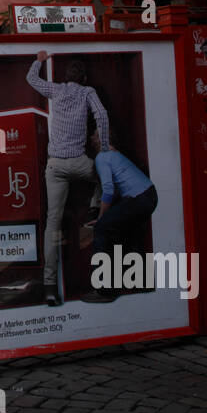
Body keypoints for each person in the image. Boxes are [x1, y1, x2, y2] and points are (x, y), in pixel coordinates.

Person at [26, 51, 110, 307]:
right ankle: (95, 207)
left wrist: (39, 60)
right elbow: (103, 117)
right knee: (105, 178)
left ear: (66, 77)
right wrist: (104, 149)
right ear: (83, 78)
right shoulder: (87, 93)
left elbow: (31, 78)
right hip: (80, 162)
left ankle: (50, 288)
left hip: (56, 166)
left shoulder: (56, 90)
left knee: (53, 222)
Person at [78, 127, 158, 303]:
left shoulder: (102, 156)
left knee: (102, 230)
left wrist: (101, 219)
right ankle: (142, 283)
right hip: (148, 195)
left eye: (95, 134)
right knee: (129, 233)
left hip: (138, 198)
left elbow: (108, 190)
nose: (92, 137)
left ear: (102, 139)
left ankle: (105, 290)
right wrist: (105, 215)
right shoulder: (113, 154)